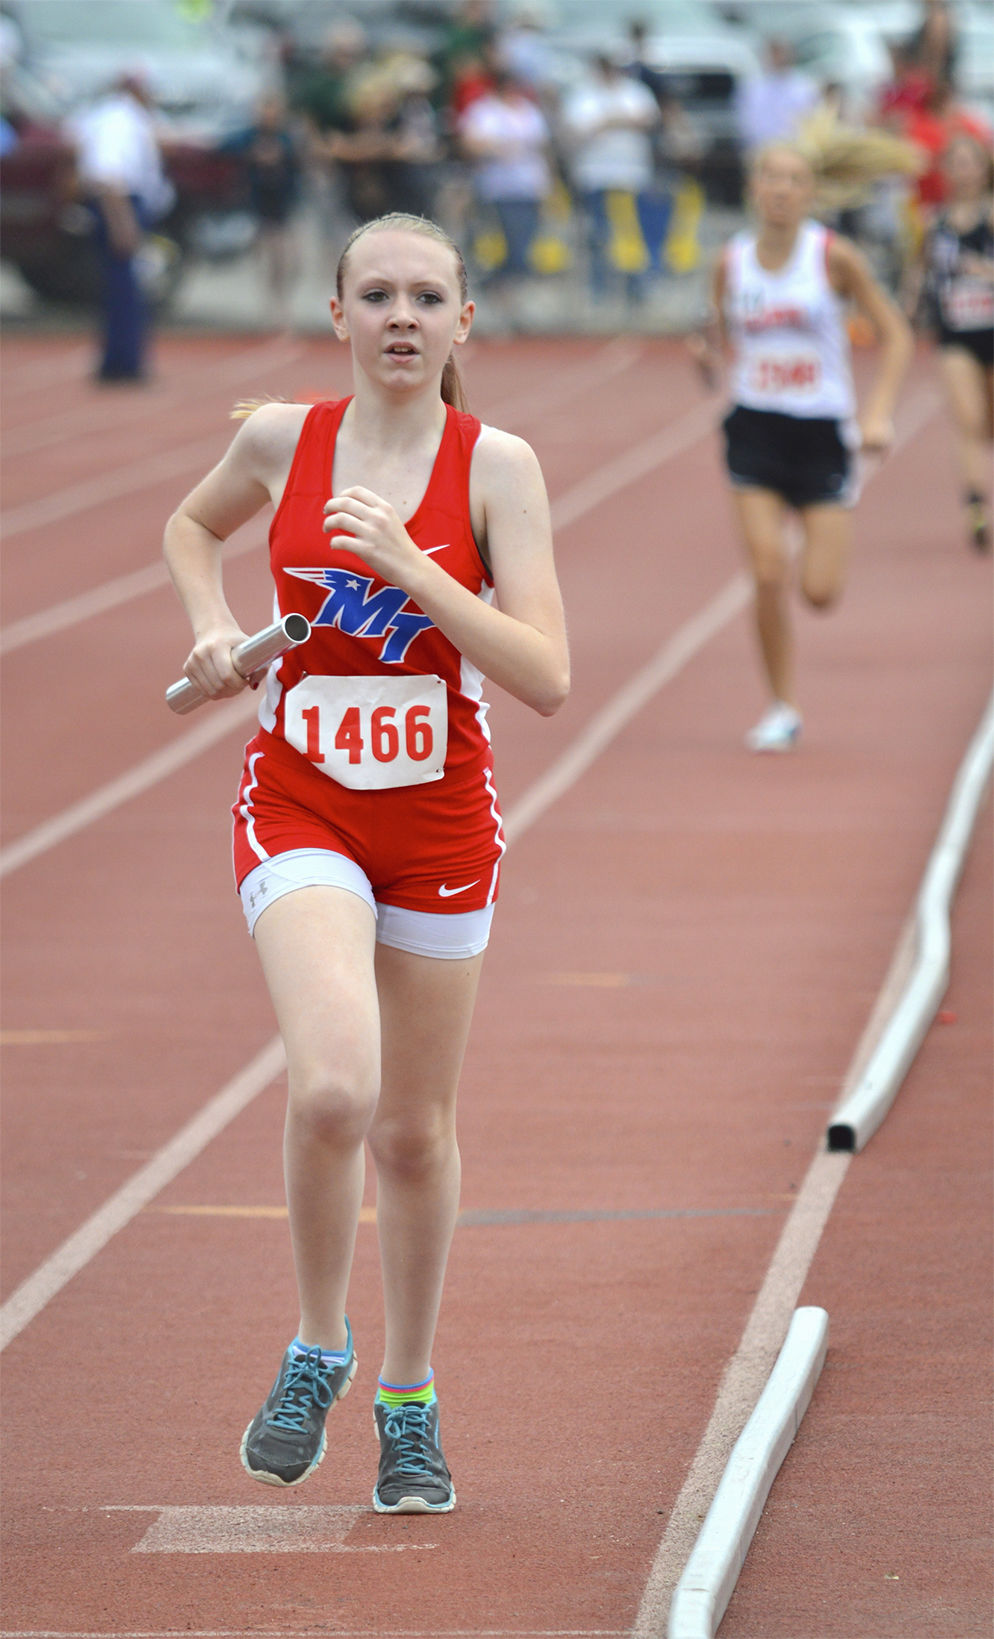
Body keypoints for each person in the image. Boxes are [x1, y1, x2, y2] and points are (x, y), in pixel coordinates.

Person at [162, 212, 569, 1511]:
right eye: (377, 293)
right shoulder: (283, 439)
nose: (402, 315)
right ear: (337, 315)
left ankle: (407, 1392)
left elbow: (546, 675)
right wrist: (218, 624)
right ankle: (316, 1345)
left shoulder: (496, 466)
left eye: (427, 296)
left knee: (413, 1125)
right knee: (336, 1084)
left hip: (440, 816)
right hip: (302, 801)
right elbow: (189, 525)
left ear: (463, 322)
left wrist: (408, 566)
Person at [689, 143, 913, 752]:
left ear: (809, 193)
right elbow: (717, 334)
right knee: (766, 571)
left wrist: (878, 411)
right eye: (771, 178)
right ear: (755, 189)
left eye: (793, 180)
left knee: (818, 592)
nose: (781, 190)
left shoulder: (833, 258)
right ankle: (781, 706)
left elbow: (895, 334)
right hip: (754, 428)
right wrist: (706, 355)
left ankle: (785, 693)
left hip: (820, 434)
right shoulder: (730, 262)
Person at [908, 133, 994, 550]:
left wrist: (986, 273)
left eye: (970, 161)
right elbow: (919, 269)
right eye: (955, 161)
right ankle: (976, 505)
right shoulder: (934, 222)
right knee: (968, 418)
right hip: (956, 332)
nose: (963, 169)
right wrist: (908, 307)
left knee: (989, 424)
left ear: (984, 168)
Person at [68, 68, 175, 383]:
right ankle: (124, 363)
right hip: (121, 205)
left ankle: (116, 360)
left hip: (114, 204)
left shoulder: (103, 116)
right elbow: (109, 175)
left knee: (117, 286)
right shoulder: (121, 120)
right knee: (126, 287)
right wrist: (122, 222)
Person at [560, 51, 660, 304]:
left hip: (630, 176)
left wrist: (609, 122)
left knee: (632, 233)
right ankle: (600, 289)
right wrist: (614, 121)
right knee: (599, 233)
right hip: (596, 176)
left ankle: (636, 287)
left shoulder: (634, 92)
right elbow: (576, 130)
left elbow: (649, 119)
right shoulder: (583, 95)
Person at [222, 92, 304, 332]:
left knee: (290, 261)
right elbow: (226, 146)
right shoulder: (248, 136)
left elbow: (300, 159)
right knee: (269, 258)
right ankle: (273, 308)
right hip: (260, 208)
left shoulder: (288, 137)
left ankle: (282, 303)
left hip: (285, 207)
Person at [734, 38, 819, 156]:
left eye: (781, 52)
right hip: (760, 149)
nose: (778, 57)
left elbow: (810, 120)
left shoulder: (805, 88)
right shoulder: (753, 88)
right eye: (774, 53)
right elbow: (746, 120)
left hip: (794, 150)